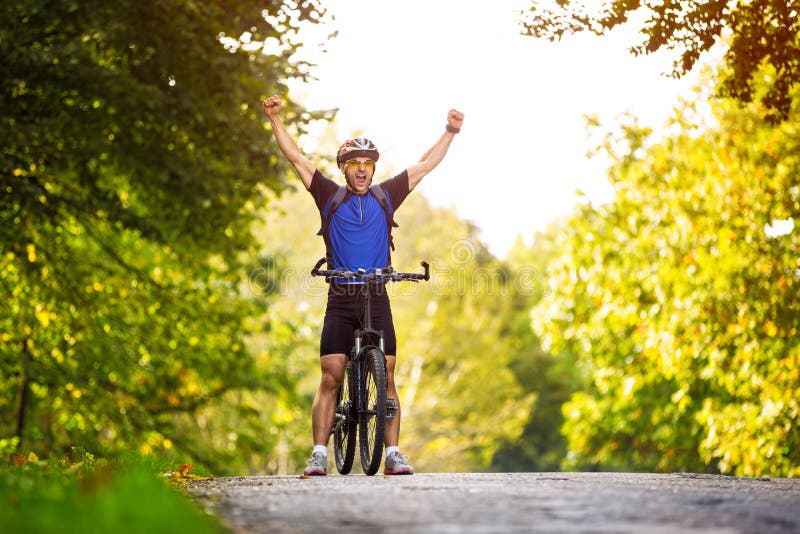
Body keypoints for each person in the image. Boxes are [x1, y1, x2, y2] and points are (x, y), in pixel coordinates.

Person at [262, 94, 464, 476]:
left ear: (373, 170)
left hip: (376, 295)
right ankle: (319, 453)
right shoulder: (328, 196)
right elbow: (297, 159)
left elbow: (424, 166)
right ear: (343, 168)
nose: (361, 170)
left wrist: (450, 131)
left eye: (367, 164)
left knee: (386, 375)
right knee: (330, 375)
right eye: (354, 164)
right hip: (340, 298)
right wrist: (275, 119)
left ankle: (392, 455)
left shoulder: (386, 196)